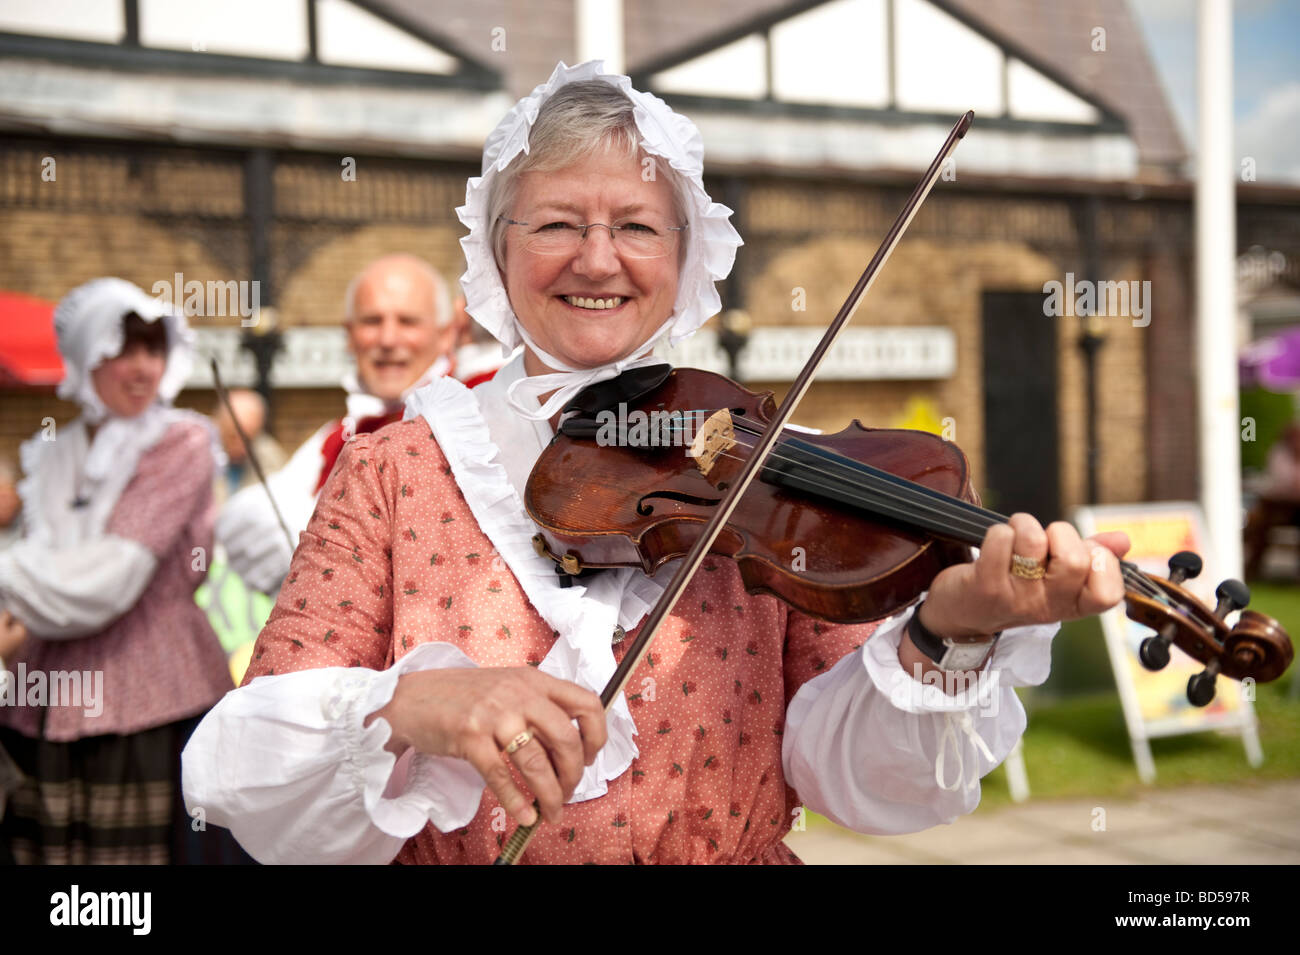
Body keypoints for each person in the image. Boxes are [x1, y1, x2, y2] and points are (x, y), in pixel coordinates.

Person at [183, 62, 1130, 865]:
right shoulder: (394, 468)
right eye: (556, 223)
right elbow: (237, 769)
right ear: (497, 252)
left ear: (686, 256)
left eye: (637, 226)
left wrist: (948, 631)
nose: (598, 260)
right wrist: (417, 702)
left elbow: (859, 776)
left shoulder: (766, 475)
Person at [0, 278, 240, 864]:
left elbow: (106, 582)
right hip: (46, 699)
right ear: (86, 355)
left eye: (152, 350)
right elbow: (44, 573)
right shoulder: (54, 452)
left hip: (152, 694)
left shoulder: (179, 442)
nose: (141, 369)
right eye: (122, 349)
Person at [216, 254, 465, 595]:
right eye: (372, 321)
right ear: (348, 335)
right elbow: (247, 524)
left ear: (447, 333)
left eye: (408, 321)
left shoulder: (475, 420)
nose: (388, 339)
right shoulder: (333, 438)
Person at [212, 388, 286, 506]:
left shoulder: (270, 457)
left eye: (248, 439)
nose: (241, 446)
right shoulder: (198, 453)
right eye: (233, 436)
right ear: (218, 426)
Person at [1244, 421, 1300, 579]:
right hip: (1279, 505)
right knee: (1261, 526)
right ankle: (1253, 569)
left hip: (1294, 507)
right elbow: (1282, 483)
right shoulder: (1279, 454)